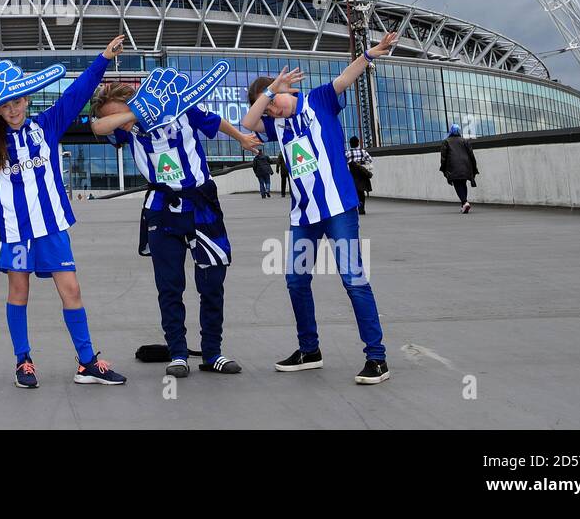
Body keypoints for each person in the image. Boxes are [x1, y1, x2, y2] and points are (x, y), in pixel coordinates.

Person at [0, 36, 129, 389]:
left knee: (71, 290)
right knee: (19, 293)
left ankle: (87, 362)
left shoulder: (48, 125)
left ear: (27, 99)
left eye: (18, 101)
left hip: (53, 227)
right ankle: (23, 361)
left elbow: (77, 93)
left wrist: (103, 58)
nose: (13, 109)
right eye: (5, 105)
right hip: (16, 234)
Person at [242, 30, 399, 386]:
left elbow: (347, 76)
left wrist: (372, 53)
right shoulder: (274, 125)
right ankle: (309, 350)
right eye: (268, 106)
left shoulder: (319, 100)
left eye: (275, 101)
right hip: (304, 216)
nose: (272, 109)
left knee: (353, 279)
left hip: (339, 208)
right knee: (296, 281)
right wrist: (267, 93)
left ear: (290, 89)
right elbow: (247, 124)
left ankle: (376, 358)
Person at [91, 82, 262, 378]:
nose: (124, 119)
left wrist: (241, 139)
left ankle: (212, 352)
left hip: (201, 203)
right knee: (169, 285)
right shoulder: (126, 129)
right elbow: (98, 128)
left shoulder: (180, 110)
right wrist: (132, 114)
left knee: (212, 282)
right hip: (161, 208)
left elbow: (213, 120)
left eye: (122, 111)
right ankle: (179, 353)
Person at [440, 124, 479, 214]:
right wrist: (474, 167)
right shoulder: (465, 141)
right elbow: (471, 155)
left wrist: (443, 168)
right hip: (465, 165)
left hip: (453, 166)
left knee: (457, 184)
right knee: (463, 183)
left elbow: (443, 157)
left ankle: (465, 202)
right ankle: (464, 204)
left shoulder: (446, 141)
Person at [346, 136, 373, 216]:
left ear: (350, 144)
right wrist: (361, 162)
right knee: (361, 192)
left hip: (352, 174)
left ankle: (356, 207)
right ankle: (362, 208)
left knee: (354, 191)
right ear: (358, 143)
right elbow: (370, 160)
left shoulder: (347, 153)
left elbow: (344, 162)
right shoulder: (363, 152)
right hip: (362, 174)